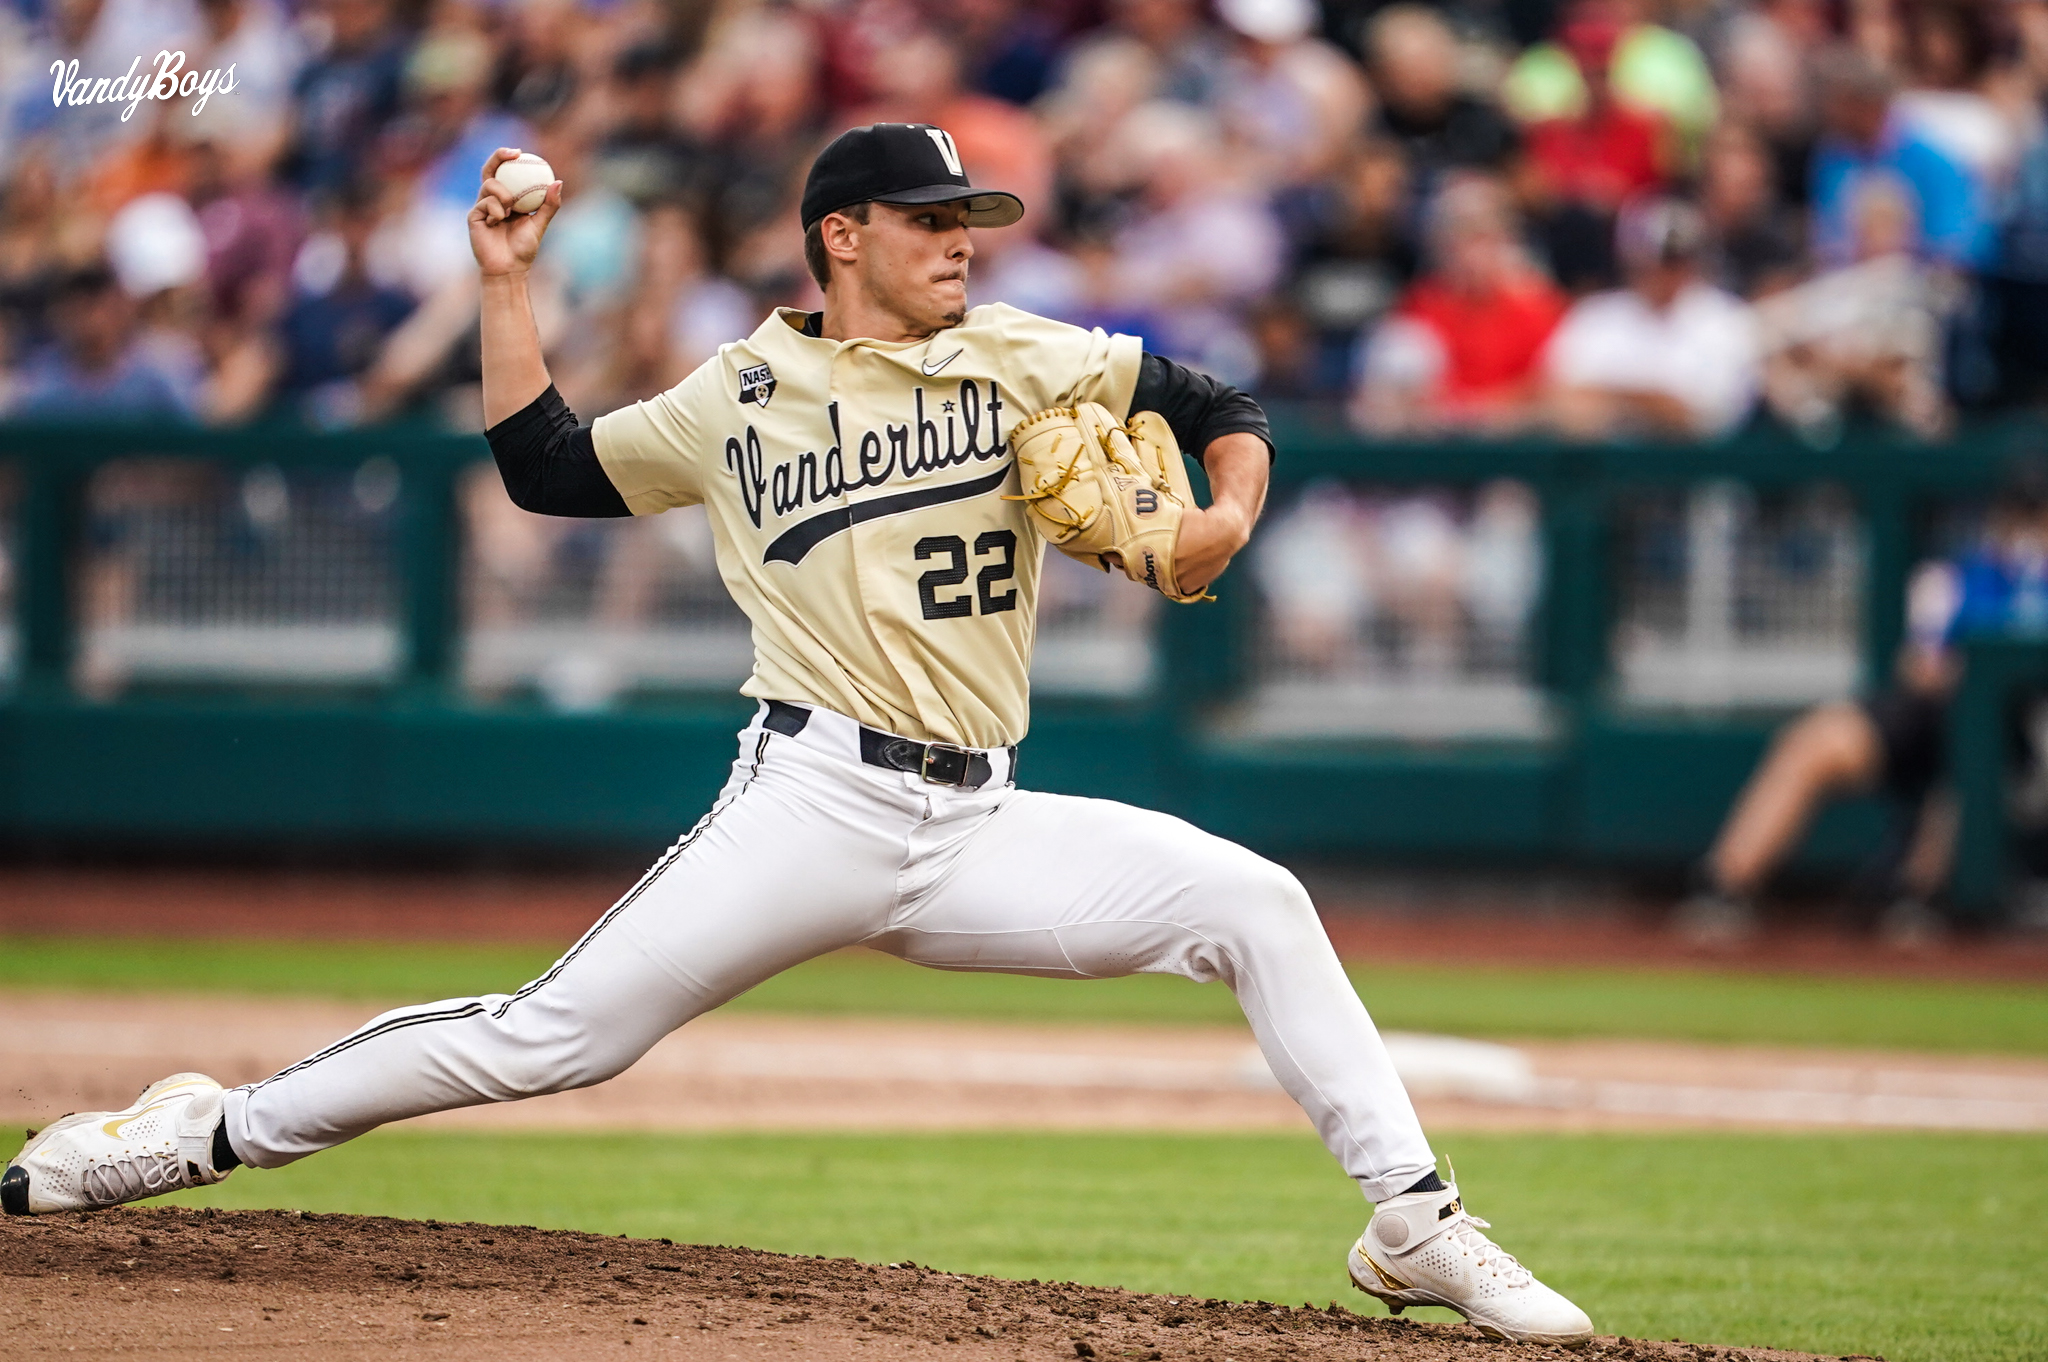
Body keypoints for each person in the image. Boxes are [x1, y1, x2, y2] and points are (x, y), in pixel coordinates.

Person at [3, 123, 1594, 1347]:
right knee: (555, 1036)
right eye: (932, 223)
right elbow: (548, 468)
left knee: (1253, 897)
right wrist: (503, 284)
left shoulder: (1030, 352)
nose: (964, 245)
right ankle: (203, 1128)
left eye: (975, 220)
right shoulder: (742, 388)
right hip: (812, 795)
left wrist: (1220, 526)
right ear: (844, 236)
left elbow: (1220, 399)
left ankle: (1413, 1219)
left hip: (982, 823)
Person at [1675, 473, 2048, 947]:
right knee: (1815, 740)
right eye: (2018, 514)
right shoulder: (1957, 575)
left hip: (2015, 730)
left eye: (2036, 515)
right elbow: (1919, 667)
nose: (2026, 530)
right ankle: (1725, 887)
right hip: (1932, 715)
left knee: (1971, 768)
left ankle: (1916, 898)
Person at [1544, 197, 1760, 439]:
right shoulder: (1595, 315)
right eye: (1649, 259)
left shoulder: (1725, 319)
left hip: (1697, 471)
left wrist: (1614, 398)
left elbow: (1708, 416)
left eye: (1672, 260)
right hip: (1607, 470)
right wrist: (1649, 403)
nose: (1660, 272)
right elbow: (1561, 400)